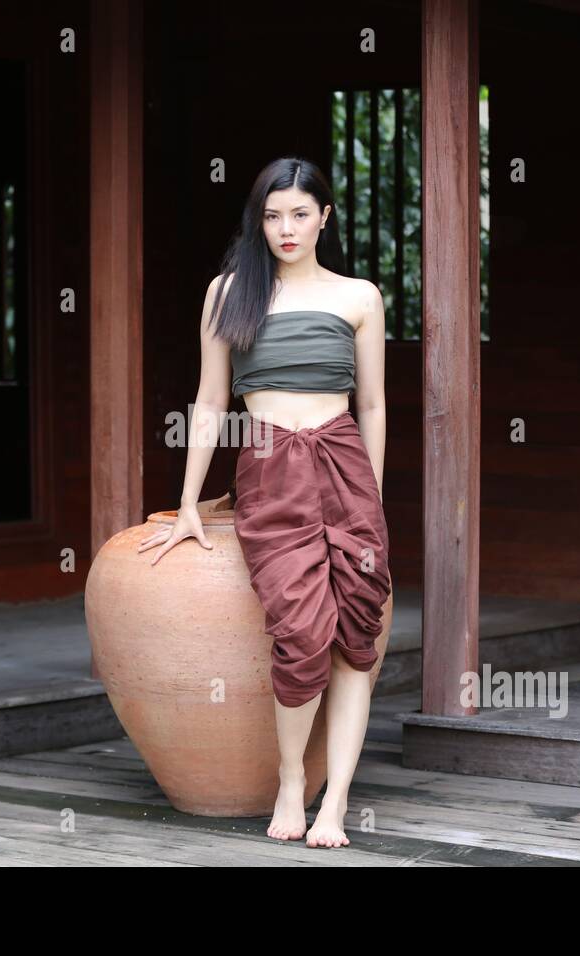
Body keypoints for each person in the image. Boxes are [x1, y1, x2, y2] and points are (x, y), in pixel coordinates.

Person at [138, 156, 391, 848]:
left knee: (355, 639)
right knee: (302, 633)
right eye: (273, 215)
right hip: (269, 467)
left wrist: (370, 496)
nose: (286, 228)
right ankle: (291, 782)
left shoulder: (359, 297)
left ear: (324, 218)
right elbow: (213, 400)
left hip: (344, 466)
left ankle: (334, 802)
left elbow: (370, 404)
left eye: (300, 214)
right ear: (259, 220)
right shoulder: (229, 294)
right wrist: (189, 502)